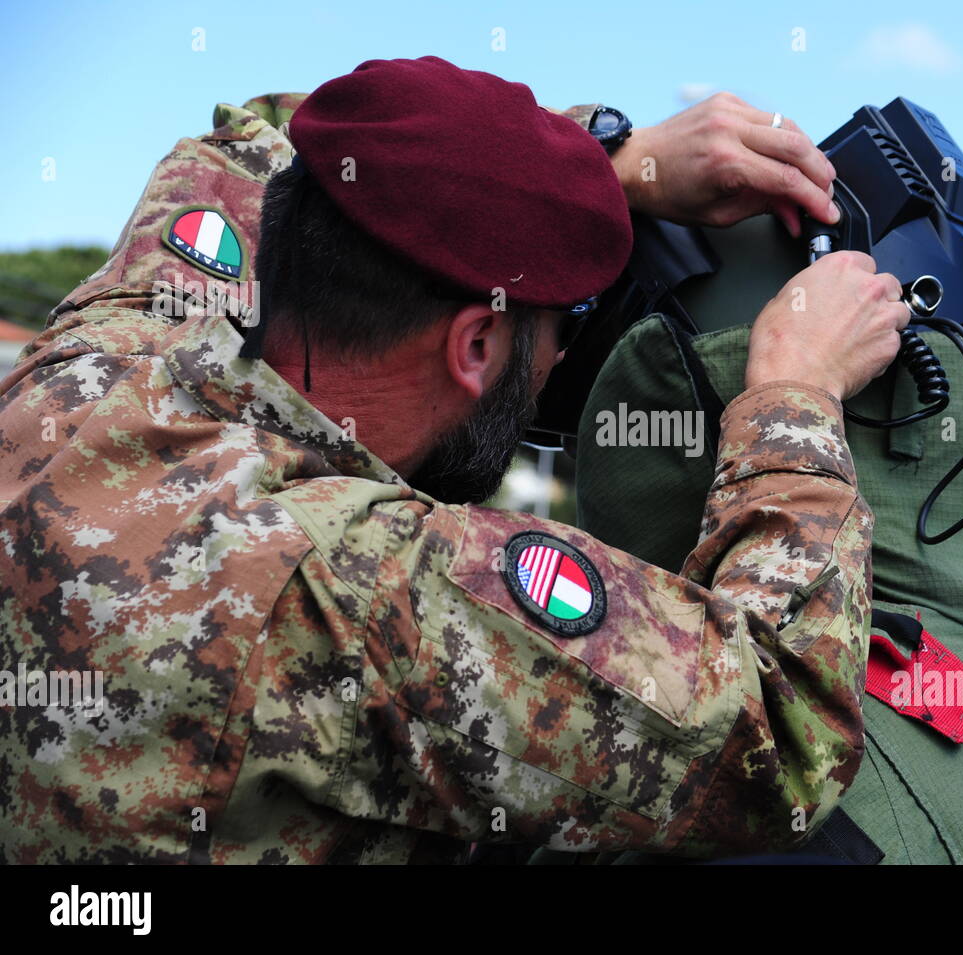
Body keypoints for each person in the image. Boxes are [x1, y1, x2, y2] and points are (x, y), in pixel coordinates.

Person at [0, 56, 910, 863]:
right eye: (558, 326)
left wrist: (598, 161)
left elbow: (261, 140)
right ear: (477, 345)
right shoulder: (367, 590)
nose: (555, 359)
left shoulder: (98, 362)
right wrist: (797, 391)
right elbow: (782, 737)